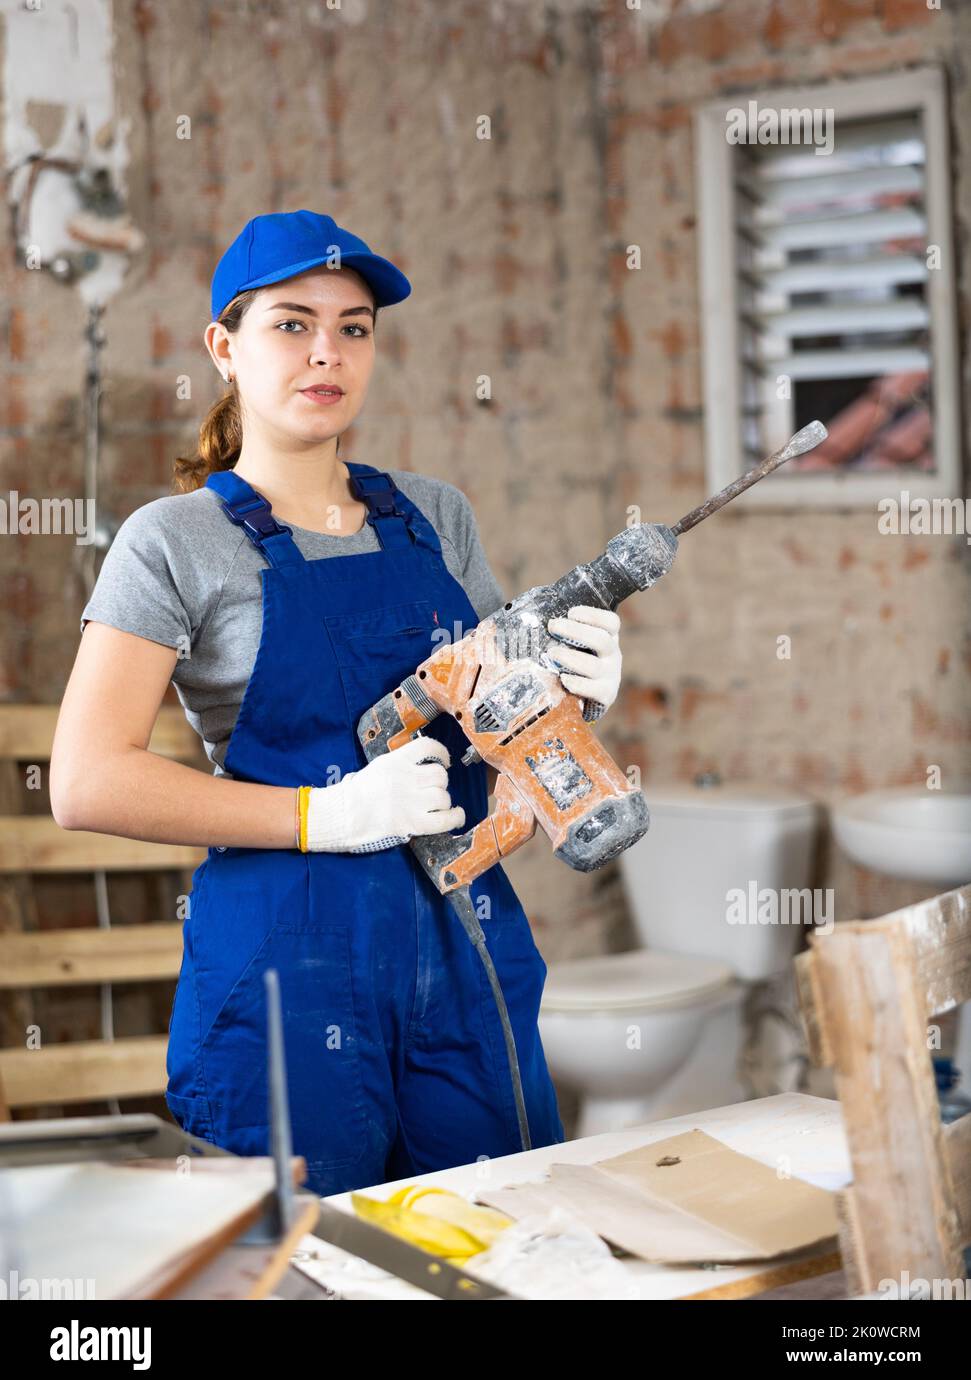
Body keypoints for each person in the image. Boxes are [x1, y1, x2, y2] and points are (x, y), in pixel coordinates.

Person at [51, 210, 625, 1197]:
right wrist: (328, 814)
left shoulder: (432, 514)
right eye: (291, 324)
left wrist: (568, 707)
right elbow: (87, 781)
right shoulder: (173, 541)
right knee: (302, 1261)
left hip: (463, 949)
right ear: (224, 349)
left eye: (353, 327)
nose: (327, 351)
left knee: (499, 1239)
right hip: (287, 965)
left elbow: (493, 749)